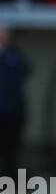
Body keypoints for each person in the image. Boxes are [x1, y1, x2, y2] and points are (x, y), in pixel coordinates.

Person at [0, 27, 28, 180]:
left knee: (11, 150)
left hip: (12, 113)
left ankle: (11, 182)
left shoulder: (14, 55)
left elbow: (26, 70)